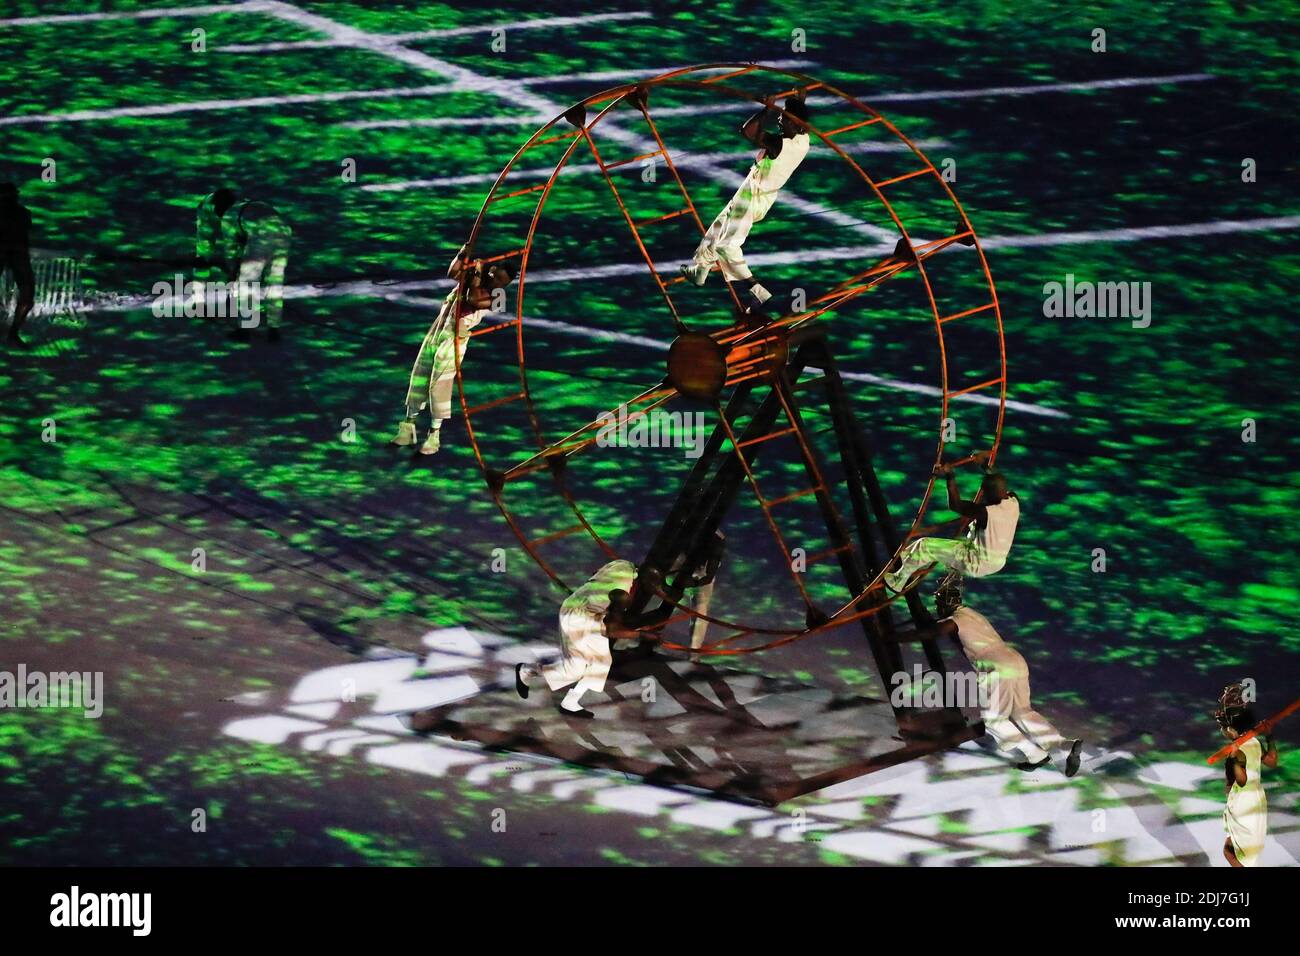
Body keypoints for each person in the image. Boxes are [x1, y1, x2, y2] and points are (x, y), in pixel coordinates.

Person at [934, 575, 1082, 775]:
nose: (937, 604)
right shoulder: (971, 614)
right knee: (1022, 711)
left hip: (998, 667)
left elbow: (931, 632)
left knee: (994, 719)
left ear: (947, 601)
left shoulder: (954, 620)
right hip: (1014, 660)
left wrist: (897, 636)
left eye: (939, 600)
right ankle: (1062, 746)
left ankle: (1034, 753)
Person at [679, 92, 811, 314]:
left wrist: (767, 111)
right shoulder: (803, 141)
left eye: (782, 119)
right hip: (755, 192)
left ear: (793, 123)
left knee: (727, 246)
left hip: (753, 198)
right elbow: (799, 121)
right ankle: (701, 270)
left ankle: (758, 290)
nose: (779, 122)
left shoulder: (780, 145)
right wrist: (799, 101)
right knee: (717, 229)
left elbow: (747, 131)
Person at [391, 246, 514, 455]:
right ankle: (407, 428)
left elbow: (473, 300)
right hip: (439, 328)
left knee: (439, 383)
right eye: (496, 277)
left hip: (455, 338)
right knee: (420, 374)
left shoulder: (495, 297)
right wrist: (462, 254)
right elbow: (452, 272)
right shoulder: (475, 277)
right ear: (492, 270)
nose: (497, 284)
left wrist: (476, 272)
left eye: (502, 283)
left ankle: (433, 436)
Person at [514, 559, 640, 718]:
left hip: (592, 614)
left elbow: (595, 572)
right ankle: (527, 670)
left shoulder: (623, 565)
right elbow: (612, 631)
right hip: (577, 616)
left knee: (602, 662)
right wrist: (642, 635)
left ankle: (570, 703)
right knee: (576, 668)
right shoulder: (621, 595)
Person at [885, 461, 1019, 593]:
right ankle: (903, 561)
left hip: (975, 561)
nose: (984, 495)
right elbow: (997, 477)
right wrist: (984, 465)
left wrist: (950, 475)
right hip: (996, 563)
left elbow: (955, 505)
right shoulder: (1013, 501)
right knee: (932, 548)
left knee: (925, 546)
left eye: (986, 492)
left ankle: (898, 581)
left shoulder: (986, 512)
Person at [196, 188, 292, 341]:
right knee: (275, 281)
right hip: (283, 231)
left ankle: (245, 329)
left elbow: (231, 252)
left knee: (247, 284)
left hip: (260, 238)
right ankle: (274, 328)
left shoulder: (229, 216)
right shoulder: (249, 205)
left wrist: (233, 273)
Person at [1216, 684, 1278, 867]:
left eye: (1222, 727)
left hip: (1243, 805)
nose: (1222, 730)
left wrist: (1234, 759)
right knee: (1238, 851)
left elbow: (1241, 780)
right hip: (1256, 800)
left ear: (1230, 729)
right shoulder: (1254, 743)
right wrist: (1269, 735)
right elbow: (1272, 761)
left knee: (1231, 852)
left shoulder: (1236, 752)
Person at [0, 183, 35, 348]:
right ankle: (12, 334)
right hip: (16, 255)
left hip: (18, 255)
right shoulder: (23, 214)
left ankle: (12, 334)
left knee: (27, 297)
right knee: (27, 296)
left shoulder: (23, 214)